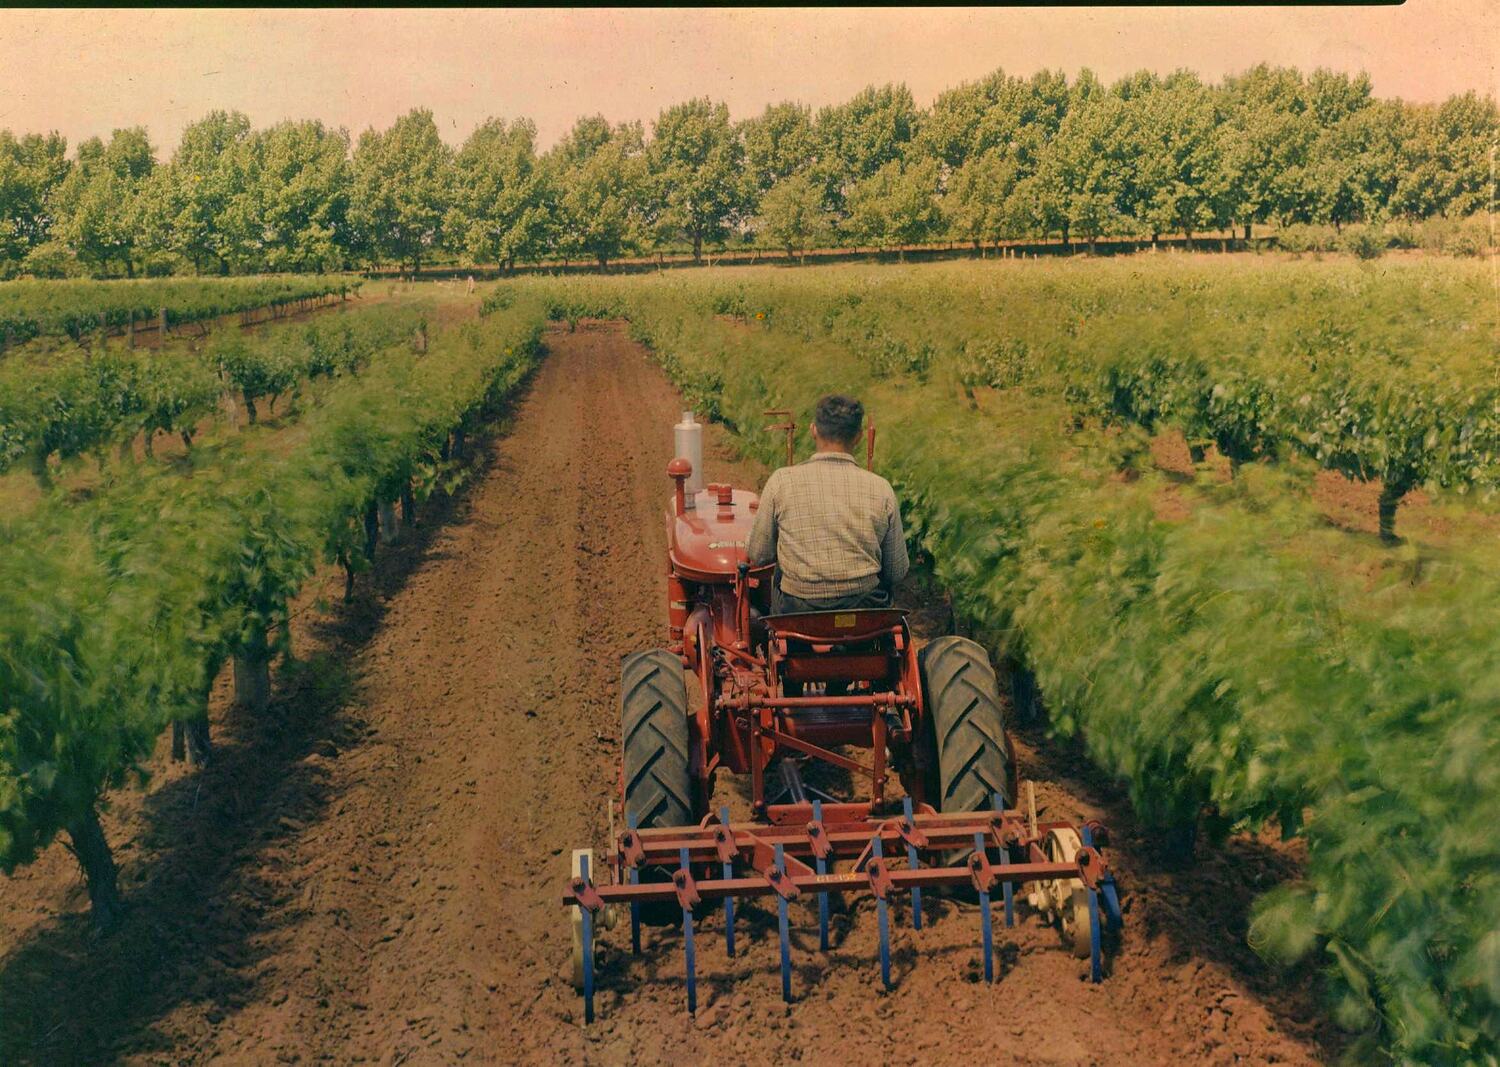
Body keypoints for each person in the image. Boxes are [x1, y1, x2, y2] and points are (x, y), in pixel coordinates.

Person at [747, 394, 909, 614]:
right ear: (859, 437)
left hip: (799, 610)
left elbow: (759, 555)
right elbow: (897, 571)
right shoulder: (881, 489)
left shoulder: (781, 482)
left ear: (813, 430)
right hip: (865, 610)